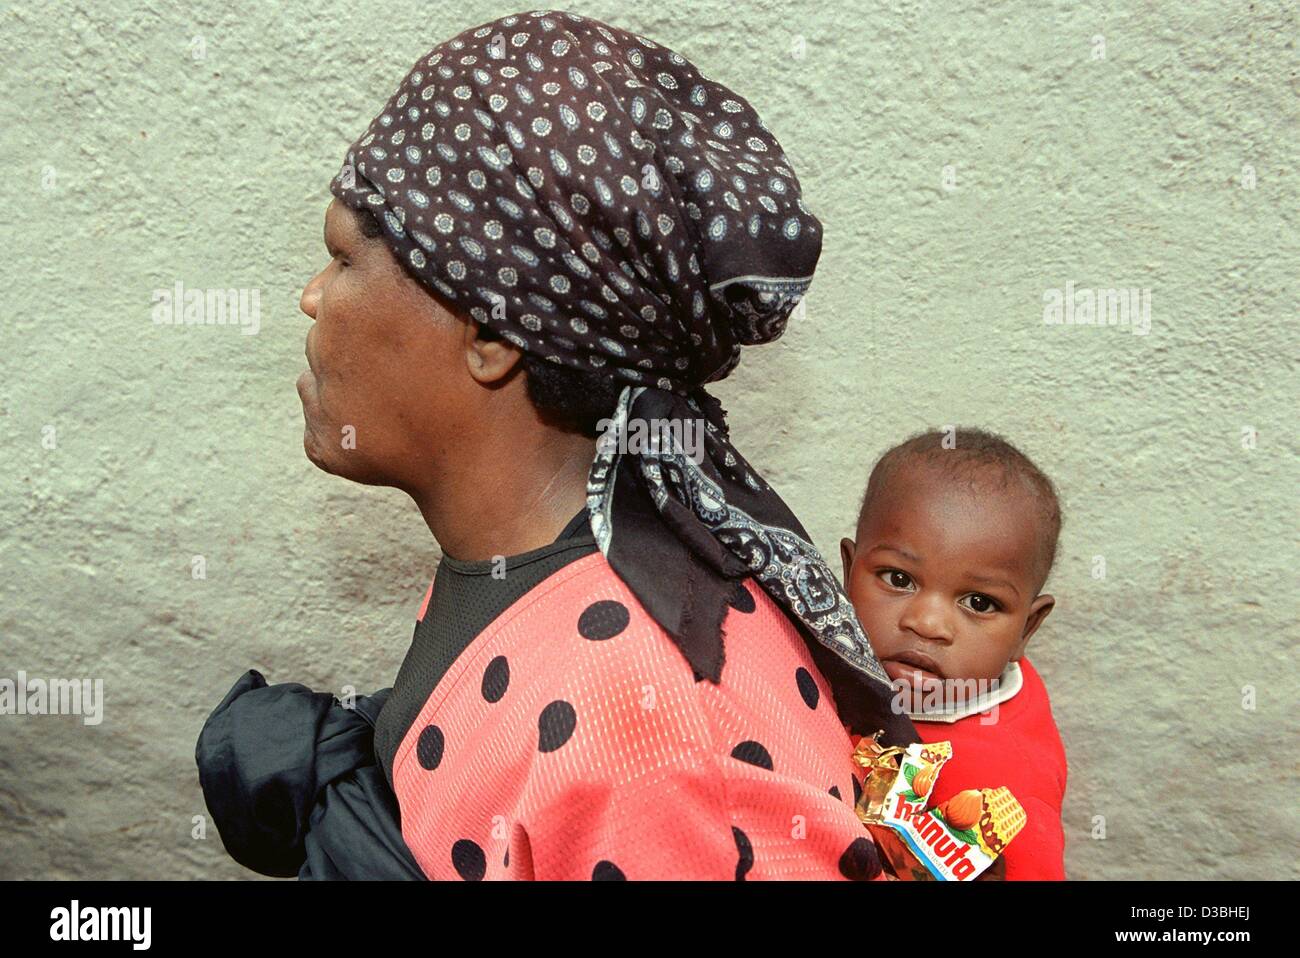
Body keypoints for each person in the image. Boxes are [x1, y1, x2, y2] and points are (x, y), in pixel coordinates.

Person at [197, 10, 919, 880]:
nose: (314, 298)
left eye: (344, 258)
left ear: (490, 332)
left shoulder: (655, 729)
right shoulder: (520, 574)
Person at [839, 427, 1068, 879]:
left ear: (1026, 629)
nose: (927, 623)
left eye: (979, 603)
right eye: (898, 579)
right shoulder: (813, 652)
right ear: (848, 573)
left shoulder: (1009, 801)